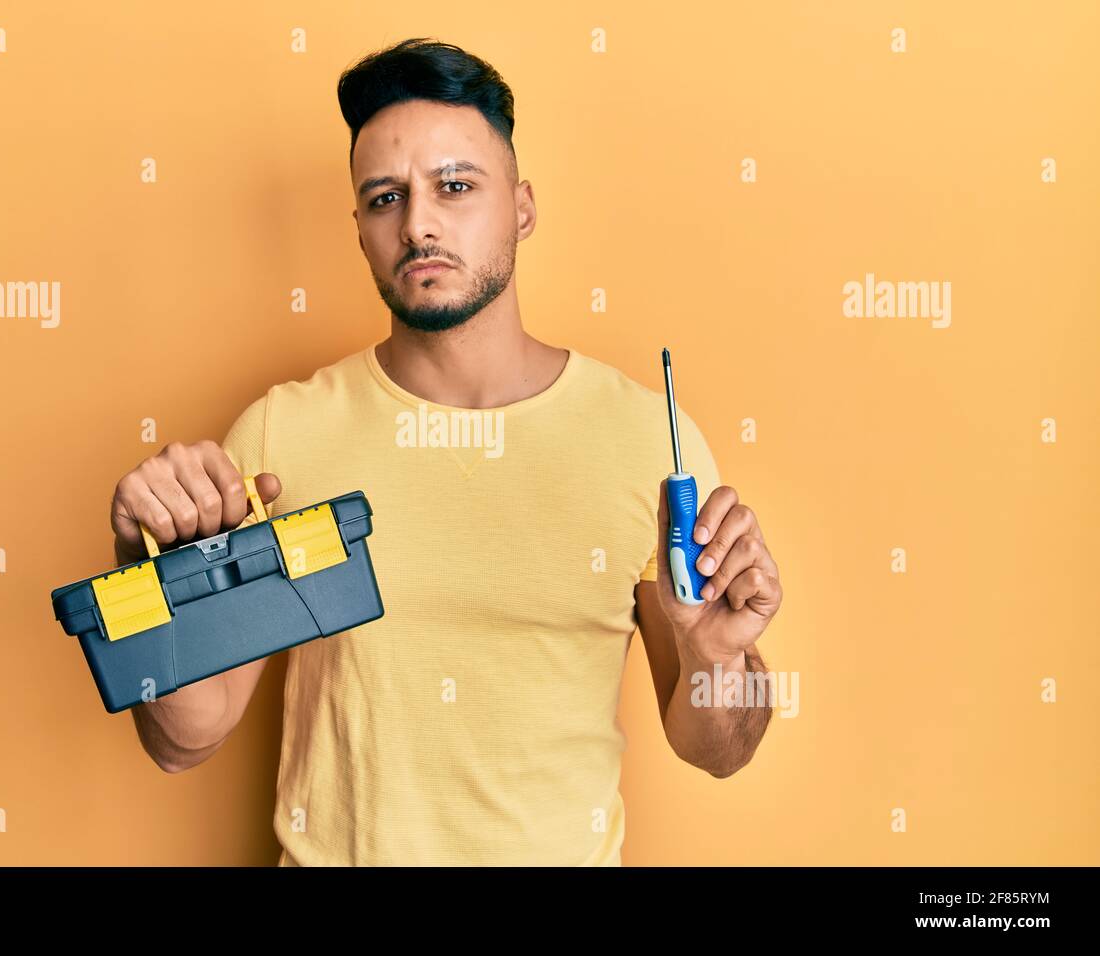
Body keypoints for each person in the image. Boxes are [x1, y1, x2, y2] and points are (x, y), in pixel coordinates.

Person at [110, 38, 783, 866]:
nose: (419, 223)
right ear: (359, 231)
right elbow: (186, 737)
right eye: (385, 197)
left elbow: (720, 749)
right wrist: (142, 578)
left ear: (523, 208)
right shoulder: (283, 436)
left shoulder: (647, 438)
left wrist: (716, 657)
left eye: (456, 187)